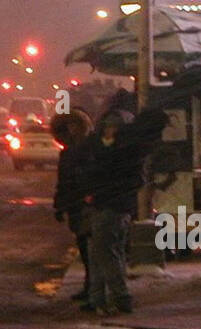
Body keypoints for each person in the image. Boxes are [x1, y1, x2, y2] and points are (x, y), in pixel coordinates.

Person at [80, 105, 168, 315]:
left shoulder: (123, 143)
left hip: (108, 204)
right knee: (106, 252)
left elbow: (102, 168)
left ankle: (119, 297)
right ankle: (98, 297)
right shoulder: (137, 144)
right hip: (118, 205)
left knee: (105, 253)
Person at [51, 112, 94, 301]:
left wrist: (60, 206)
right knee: (86, 247)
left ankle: (92, 287)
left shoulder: (76, 153)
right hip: (81, 205)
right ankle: (92, 286)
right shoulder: (88, 149)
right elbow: (64, 183)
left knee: (88, 248)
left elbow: (65, 182)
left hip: (83, 205)